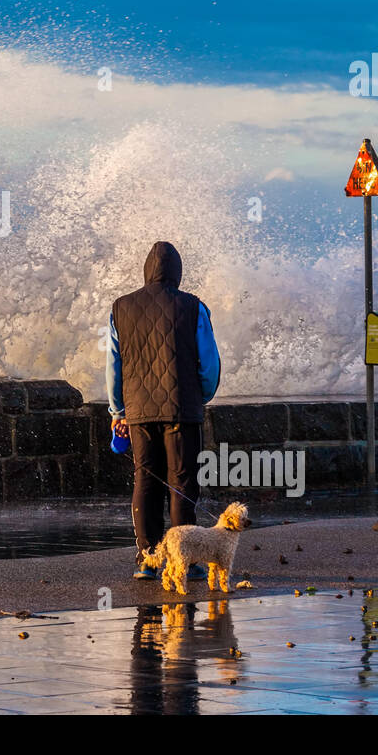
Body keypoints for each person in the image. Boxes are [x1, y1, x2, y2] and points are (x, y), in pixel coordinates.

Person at [106, 241, 221, 580]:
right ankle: (183, 560)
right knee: (182, 482)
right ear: (177, 273)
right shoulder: (193, 306)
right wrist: (202, 395)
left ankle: (148, 559)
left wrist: (118, 410)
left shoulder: (121, 307)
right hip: (182, 408)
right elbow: (209, 362)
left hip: (139, 410)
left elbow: (114, 364)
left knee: (146, 480)